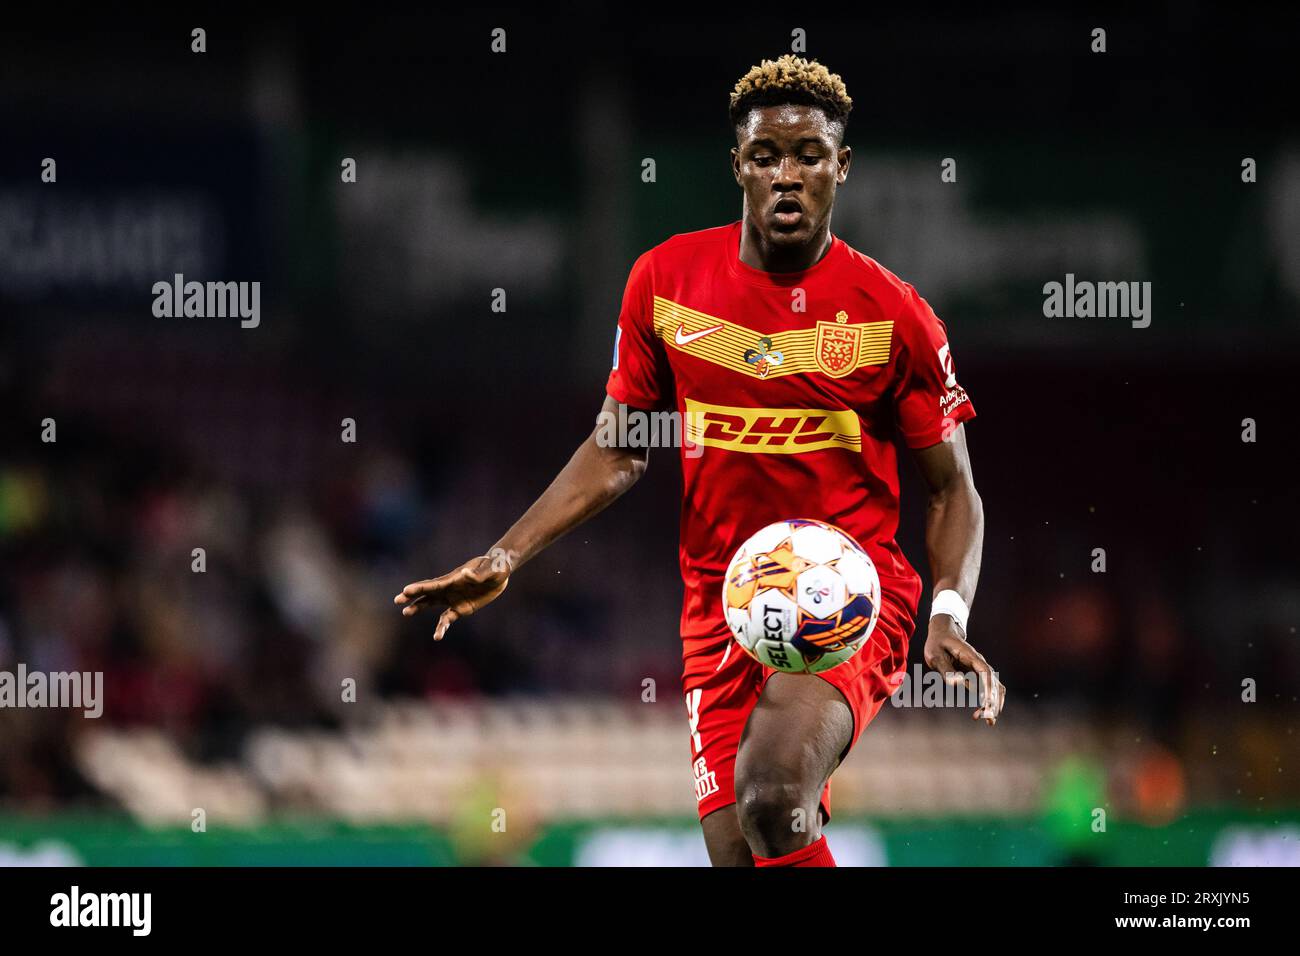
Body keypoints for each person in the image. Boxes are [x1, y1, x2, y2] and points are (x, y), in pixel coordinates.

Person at [395, 54, 1004, 866]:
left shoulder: (893, 314)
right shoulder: (665, 283)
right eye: (766, 157)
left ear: (841, 166)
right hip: (721, 609)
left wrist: (948, 613)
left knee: (775, 791)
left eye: (810, 155)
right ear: (738, 166)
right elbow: (619, 449)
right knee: (749, 849)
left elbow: (950, 489)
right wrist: (506, 553)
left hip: (852, 598)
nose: (788, 176)